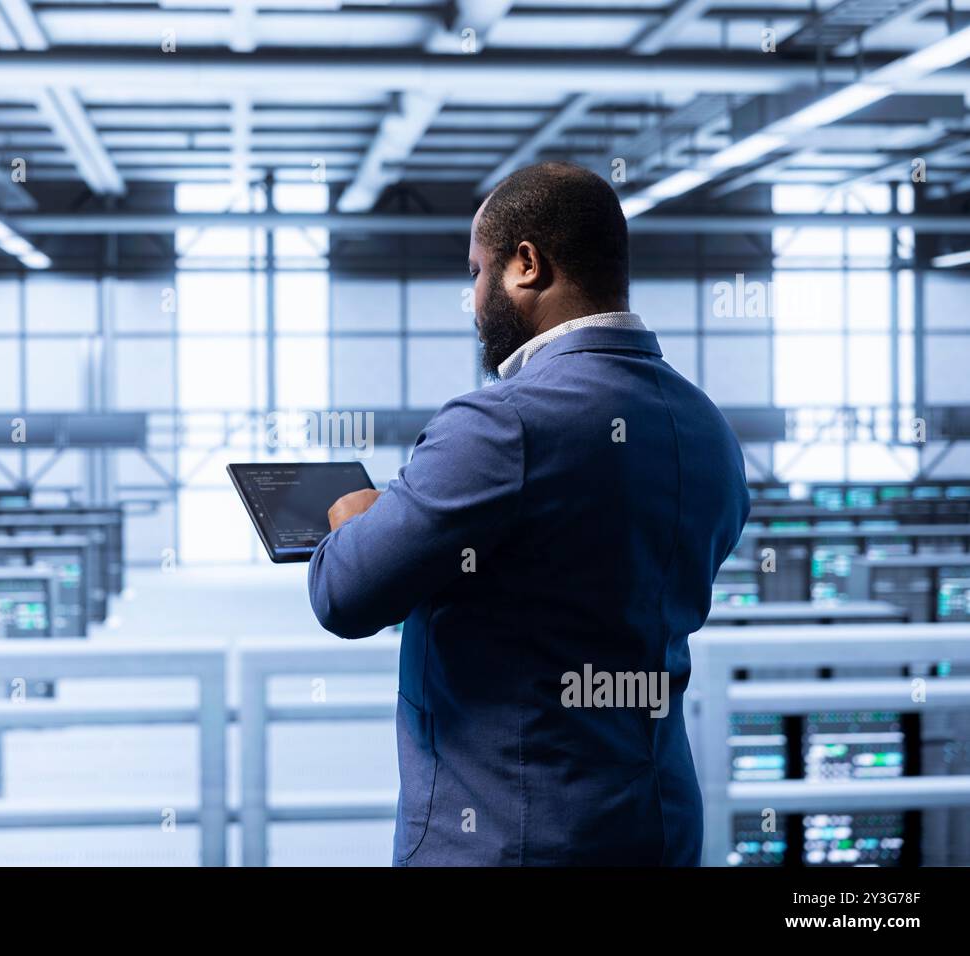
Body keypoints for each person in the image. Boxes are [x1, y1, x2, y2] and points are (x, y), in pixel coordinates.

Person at [307, 161, 750, 866]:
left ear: (526, 265)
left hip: (508, 839)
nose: (474, 297)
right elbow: (562, 583)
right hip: (658, 830)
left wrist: (359, 520)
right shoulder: (706, 428)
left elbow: (344, 595)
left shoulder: (501, 425)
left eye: (478, 272)